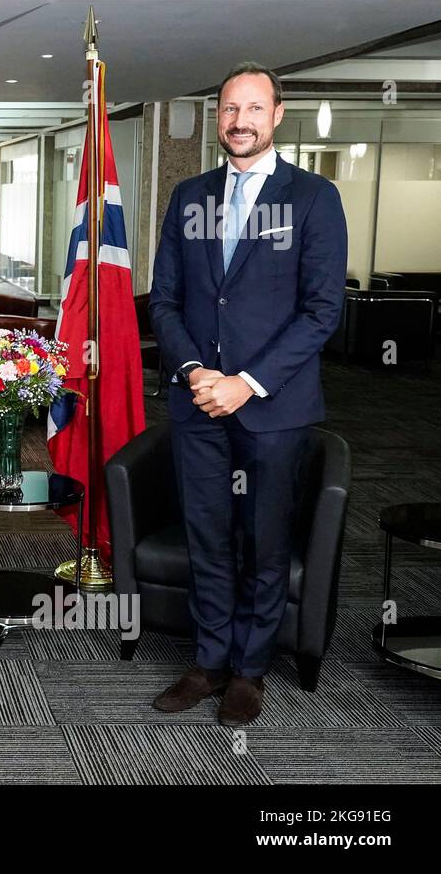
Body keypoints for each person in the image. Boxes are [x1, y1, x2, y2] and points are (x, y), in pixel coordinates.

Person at [148, 63, 347, 725]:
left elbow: (321, 311)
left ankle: (250, 670)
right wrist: (196, 374)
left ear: (277, 114)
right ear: (219, 117)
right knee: (206, 535)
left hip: (273, 408)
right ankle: (208, 662)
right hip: (198, 402)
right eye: (230, 108)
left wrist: (246, 384)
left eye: (253, 108)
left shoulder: (314, 198)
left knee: (264, 542)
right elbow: (167, 302)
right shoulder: (188, 196)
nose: (240, 120)